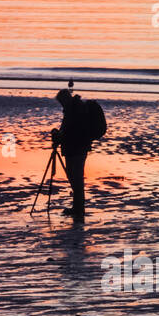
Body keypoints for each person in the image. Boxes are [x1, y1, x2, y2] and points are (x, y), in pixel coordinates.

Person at [53, 89, 106, 224]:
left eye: (61, 102)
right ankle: (77, 207)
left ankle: (78, 209)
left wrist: (60, 137)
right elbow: (69, 131)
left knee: (76, 178)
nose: (61, 105)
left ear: (65, 99)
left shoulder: (76, 110)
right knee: (74, 178)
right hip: (76, 148)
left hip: (77, 149)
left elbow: (72, 132)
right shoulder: (74, 108)